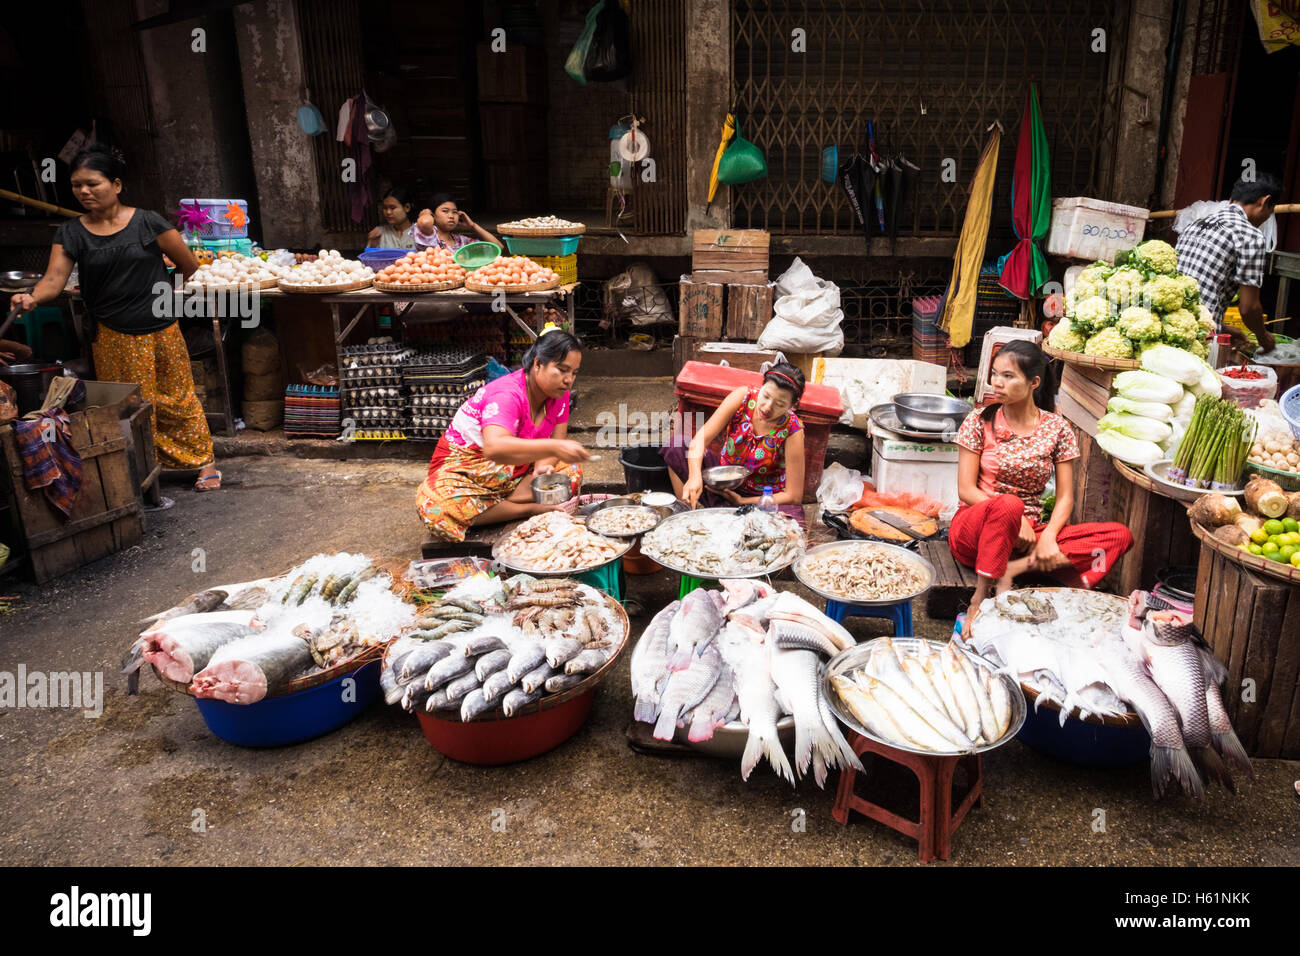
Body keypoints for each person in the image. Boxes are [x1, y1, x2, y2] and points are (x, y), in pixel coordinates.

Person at [9, 145, 221, 491]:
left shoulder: (148, 222)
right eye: (77, 185)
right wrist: (30, 297)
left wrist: (165, 295)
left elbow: (189, 265)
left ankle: (204, 462)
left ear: (117, 185)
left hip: (162, 328)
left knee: (177, 396)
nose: (84, 192)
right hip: (112, 332)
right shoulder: (71, 233)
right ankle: (143, 467)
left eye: (93, 183)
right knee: (129, 404)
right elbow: (53, 280)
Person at [950, 341, 1132, 622]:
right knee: (1008, 505)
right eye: (995, 374)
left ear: (1034, 382)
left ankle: (1018, 568)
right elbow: (966, 490)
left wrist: (1047, 537)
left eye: (1008, 376)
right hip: (974, 532)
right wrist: (1014, 516)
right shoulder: (978, 421)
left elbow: (1065, 498)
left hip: (1028, 540)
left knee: (1118, 536)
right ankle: (981, 597)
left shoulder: (1057, 428)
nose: (997, 383)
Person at [416, 326, 589, 541]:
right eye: (562, 370)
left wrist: (545, 464)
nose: (568, 379)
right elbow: (495, 448)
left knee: (571, 471)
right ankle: (525, 509)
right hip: (470, 472)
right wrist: (554, 449)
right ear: (538, 364)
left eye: (574, 373)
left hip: (515, 471)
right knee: (435, 507)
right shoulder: (507, 394)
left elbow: (557, 439)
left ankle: (494, 504)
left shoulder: (559, 392)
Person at [661, 362, 807, 524]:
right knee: (677, 445)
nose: (767, 407)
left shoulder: (793, 429)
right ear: (762, 386)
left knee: (795, 522)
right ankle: (688, 517)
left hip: (760, 500)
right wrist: (695, 476)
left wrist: (742, 502)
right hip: (722, 486)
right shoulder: (743, 397)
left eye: (779, 405)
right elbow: (699, 441)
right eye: (766, 396)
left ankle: (732, 515)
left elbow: (793, 496)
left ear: (792, 406)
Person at [1176, 172, 1283, 354]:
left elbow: (1199, 290)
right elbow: (1249, 308)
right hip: (1198, 341)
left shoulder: (1195, 225)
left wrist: (1224, 328)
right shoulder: (1250, 235)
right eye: (1270, 212)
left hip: (1172, 328)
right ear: (1265, 202)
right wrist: (1264, 338)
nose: (1266, 219)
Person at [411, 193, 501, 253]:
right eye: (445, 211)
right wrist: (426, 213)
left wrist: (473, 225)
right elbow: (425, 222)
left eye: (454, 212)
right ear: (433, 215)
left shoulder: (461, 241)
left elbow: (498, 247)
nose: (451, 216)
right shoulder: (429, 237)